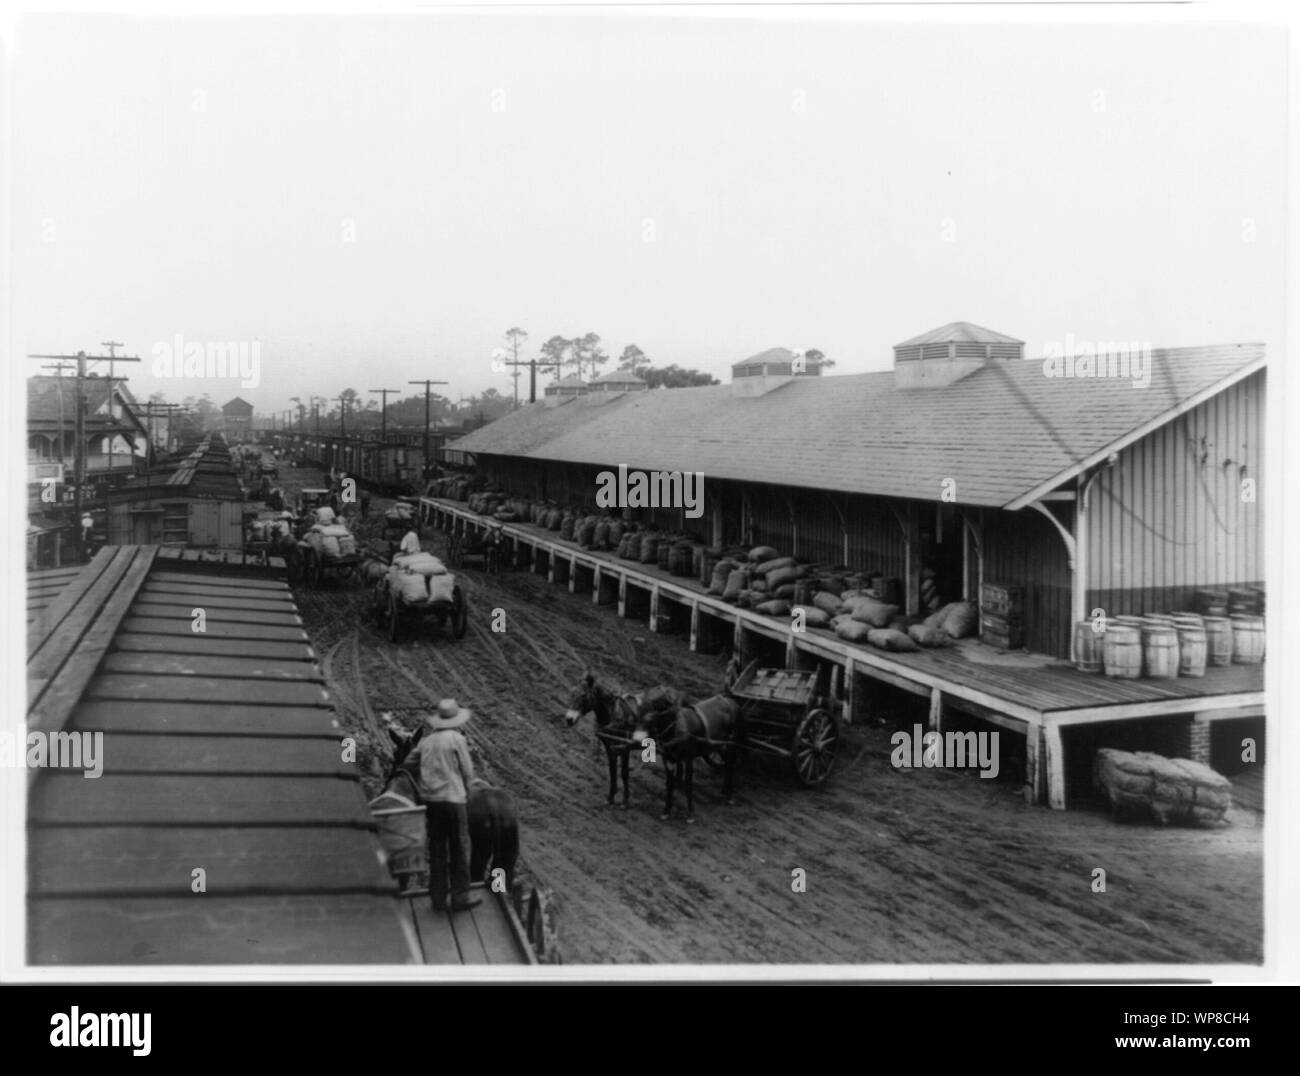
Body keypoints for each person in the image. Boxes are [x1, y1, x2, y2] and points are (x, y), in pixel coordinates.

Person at [414, 700, 481, 913]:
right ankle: (460, 896)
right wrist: (469, 790)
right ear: (456, 721)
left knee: (437, 849)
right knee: (460, 847)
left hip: (432, 802)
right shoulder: (457, 739)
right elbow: (467, 769)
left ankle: (438, 897)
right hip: (453, 799)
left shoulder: (426, 741)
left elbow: (410, 761)